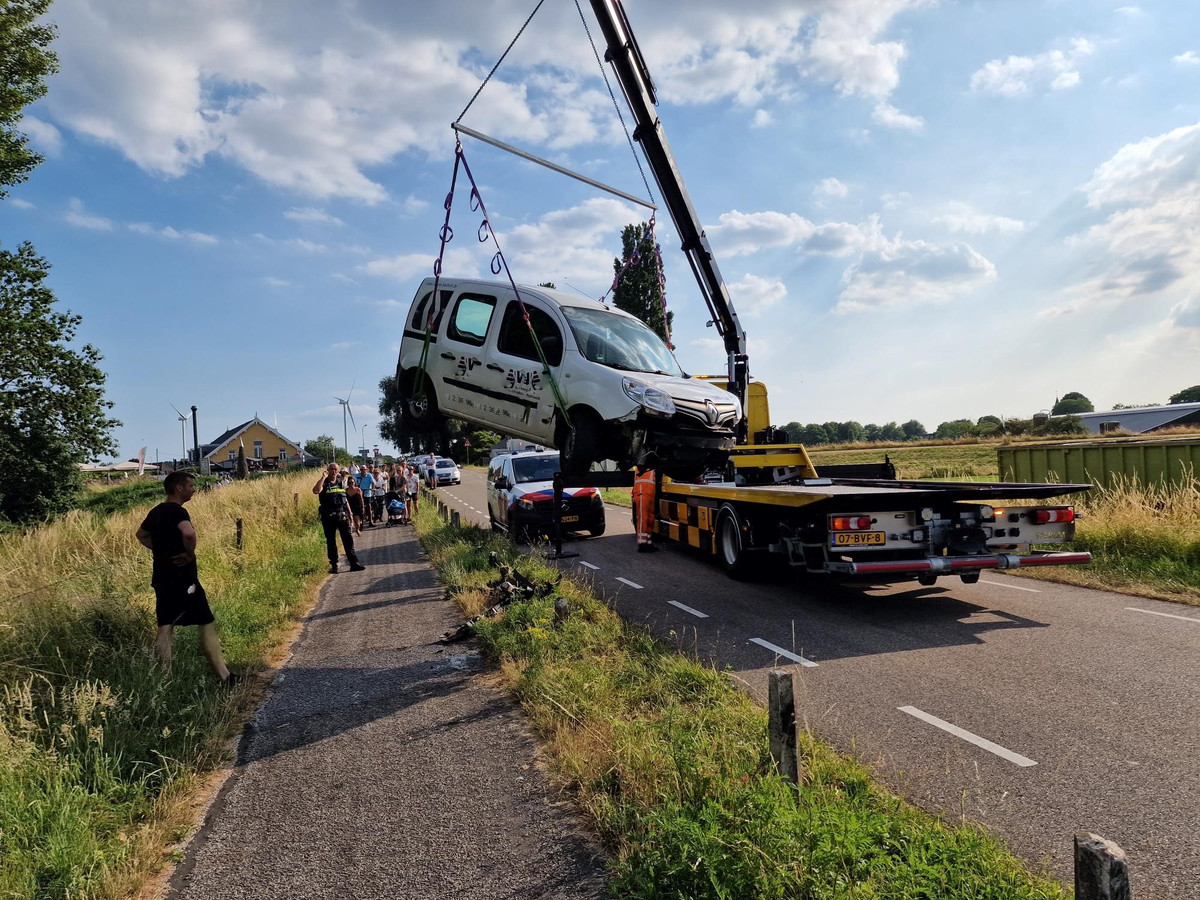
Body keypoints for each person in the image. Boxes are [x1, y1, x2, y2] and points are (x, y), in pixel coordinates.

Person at [135, 471, 238, 684]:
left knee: (165, 625)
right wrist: (189, 553)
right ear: (179, 488)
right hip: (184, 578)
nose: (194, 489)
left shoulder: (156, 511)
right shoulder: (177, 512)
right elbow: (188, 533)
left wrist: (161, 550)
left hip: (162, 576)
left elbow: (141, 535)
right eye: (191, 485)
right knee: (206, 622)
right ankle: (224, 676)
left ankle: (165, 679)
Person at [314, 463, 366, 574]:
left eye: (335, 469)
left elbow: (345, 500)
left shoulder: (341, 483)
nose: (333, 471)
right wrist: (323, 477)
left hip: (341, 515)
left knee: (348, 540)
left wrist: (350, 514)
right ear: (328, 470)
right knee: (331, 542)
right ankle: (334, 565)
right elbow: (316, 490)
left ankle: (354, 563)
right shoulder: (324, 483)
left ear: (338, 471)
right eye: (331, 469)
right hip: (328, 516)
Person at [632, 466, 657, 553]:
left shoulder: (651, 467)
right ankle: (642, 544)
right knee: (643, 519)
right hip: (642, 493)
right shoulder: (641, 466)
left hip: (649, 495)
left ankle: (648, 542)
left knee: (650, 519)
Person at [345, 468, 365, 535]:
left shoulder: (358, 490)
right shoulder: (346, 490)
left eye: (352, 482)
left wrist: (363, 507)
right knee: (349, 521)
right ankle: (350, 531)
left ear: (355, 483)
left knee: (357, 521)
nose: (351, 484)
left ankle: (357, 529)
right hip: (349, 507)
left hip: (357, 507)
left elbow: (361, 499)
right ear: (348, 483)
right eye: (350, 482)